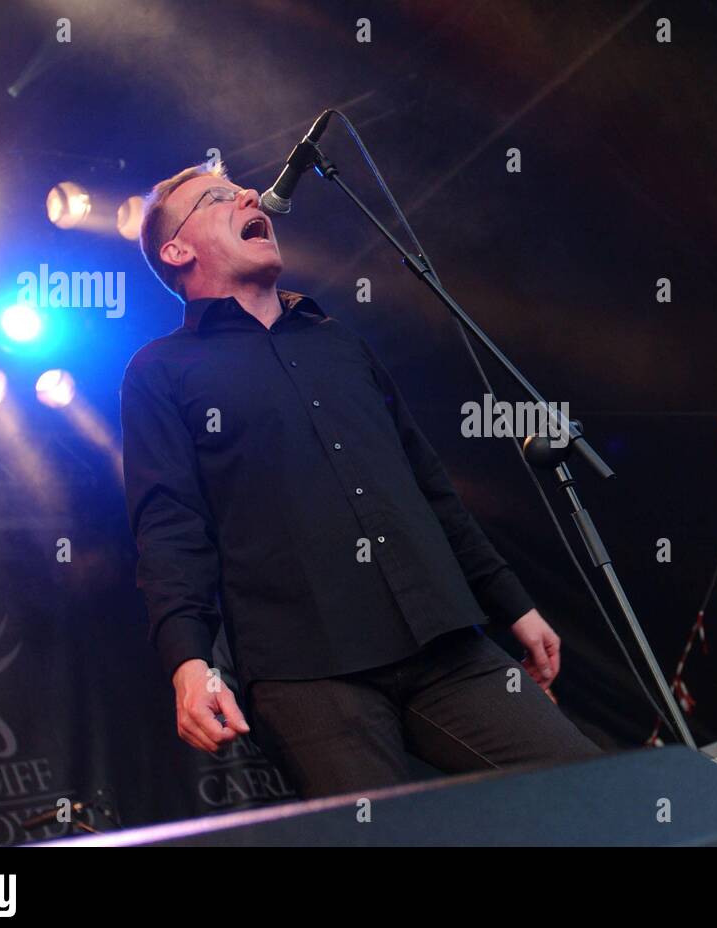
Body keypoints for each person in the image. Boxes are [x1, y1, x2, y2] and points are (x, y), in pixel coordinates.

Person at [121, 161, 599, 799]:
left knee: (594, 793)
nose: (247, 194)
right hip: (304, 674)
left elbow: (429, 486)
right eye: (217, 197)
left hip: (443, 641)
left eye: (242, 188)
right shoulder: (160, 372)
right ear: (176, 249)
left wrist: (511, 600)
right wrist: (188, 661)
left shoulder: (340, 343)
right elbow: (169, 527)